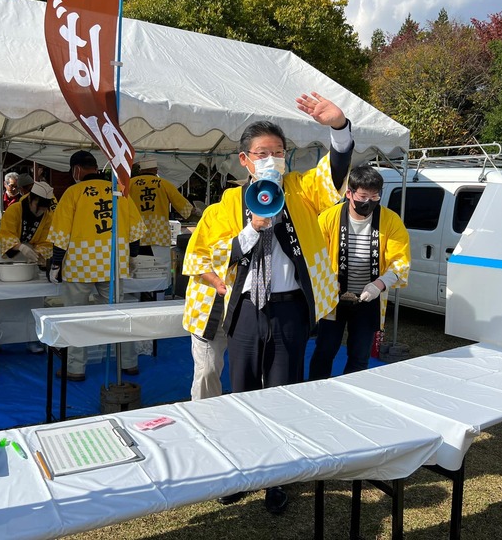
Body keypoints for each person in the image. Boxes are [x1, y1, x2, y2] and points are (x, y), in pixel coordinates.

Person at [182, 92, 353, 515]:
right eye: (262, 154)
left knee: (282, 394)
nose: (271, 160)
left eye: (278, 153)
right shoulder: (226, 205)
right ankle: (242, 470)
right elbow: (198, 257)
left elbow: (334, 175)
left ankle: (278, 477)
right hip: (243, 311)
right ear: (244, 160)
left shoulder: (300, 190)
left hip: (289, 307)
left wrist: (339, 129)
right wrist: (251, 230)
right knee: (240, 394)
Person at [47, 150, 146, 380]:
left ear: (77, 170)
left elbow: (61, 235)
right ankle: (128, 363)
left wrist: (55, 265)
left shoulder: (73, 193)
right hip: (113, 263)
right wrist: (130, 258)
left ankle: (75, 368)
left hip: (80, 264)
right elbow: (135, 233)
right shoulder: (120, 192)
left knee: (76, 318)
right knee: (119, 315)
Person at [309, 165, 411, 380]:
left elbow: (400, 261)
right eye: (363, 195)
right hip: (332, 298)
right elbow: (313, 256)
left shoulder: (391, 220)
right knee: (325, 350)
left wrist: (379, 284)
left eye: (375, 196)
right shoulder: (328, 218)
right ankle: (316, 391)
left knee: (359, 354)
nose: (369, 202)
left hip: (369, 298)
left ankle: (353, 396)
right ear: (349, 193)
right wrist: (326, 282)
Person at [0, 180, 57, 354]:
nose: (41, 210)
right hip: (9, 256)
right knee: (3, 300)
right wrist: (20, 247)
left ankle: (31, 338)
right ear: (31, 199)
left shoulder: (48, 216)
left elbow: (47, 241)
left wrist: (38, 254)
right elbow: (5, 233)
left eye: (45, 207)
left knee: (31, 300)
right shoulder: (15, 209)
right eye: (39, 205)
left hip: (31, 258)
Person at [182, 202, 228, 400]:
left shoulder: (274, 214)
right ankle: (203, 416)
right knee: (207, 371)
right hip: (210, 306)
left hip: (248, 308)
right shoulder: (216, 212)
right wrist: (217, 282)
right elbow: (194, 258)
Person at [129, 157, 194, 293]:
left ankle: (136, 297)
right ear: (156, 170)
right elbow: (185, 208)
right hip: (158, 234)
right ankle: (159, 296)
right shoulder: (163, 183)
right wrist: (196, 211)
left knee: (135, 270)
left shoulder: (130, 184)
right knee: (160, 269)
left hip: (135, 234)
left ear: (141, 170)